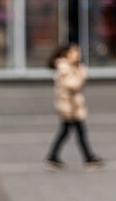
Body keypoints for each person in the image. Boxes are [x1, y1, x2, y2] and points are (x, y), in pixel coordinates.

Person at [44, 43, 103, 171]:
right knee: (78, 132)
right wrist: (82, 74)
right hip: (69, 106)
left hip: (72, 106)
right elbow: (73, 85)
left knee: (66, 132)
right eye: (75, 52)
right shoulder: (64, 67)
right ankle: (88, 158)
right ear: (67, 54)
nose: (78, 55)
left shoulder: (70, 66)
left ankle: (53, 156)